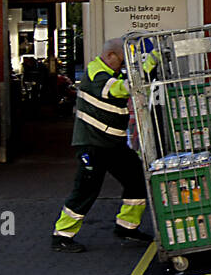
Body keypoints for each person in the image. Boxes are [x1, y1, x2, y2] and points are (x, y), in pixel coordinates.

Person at [50, 38, 154, 252]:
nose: (124, 65)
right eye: (122, 61)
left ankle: (126, 228)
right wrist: (151, 63)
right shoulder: (96, 74)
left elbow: (126, 82)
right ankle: (61, 236)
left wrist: (149, 64)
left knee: (136, 179)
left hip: (112, 144)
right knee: (86, 189)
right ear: (110, 56)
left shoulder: (111, 73)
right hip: (93, 144)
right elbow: (121, 90)